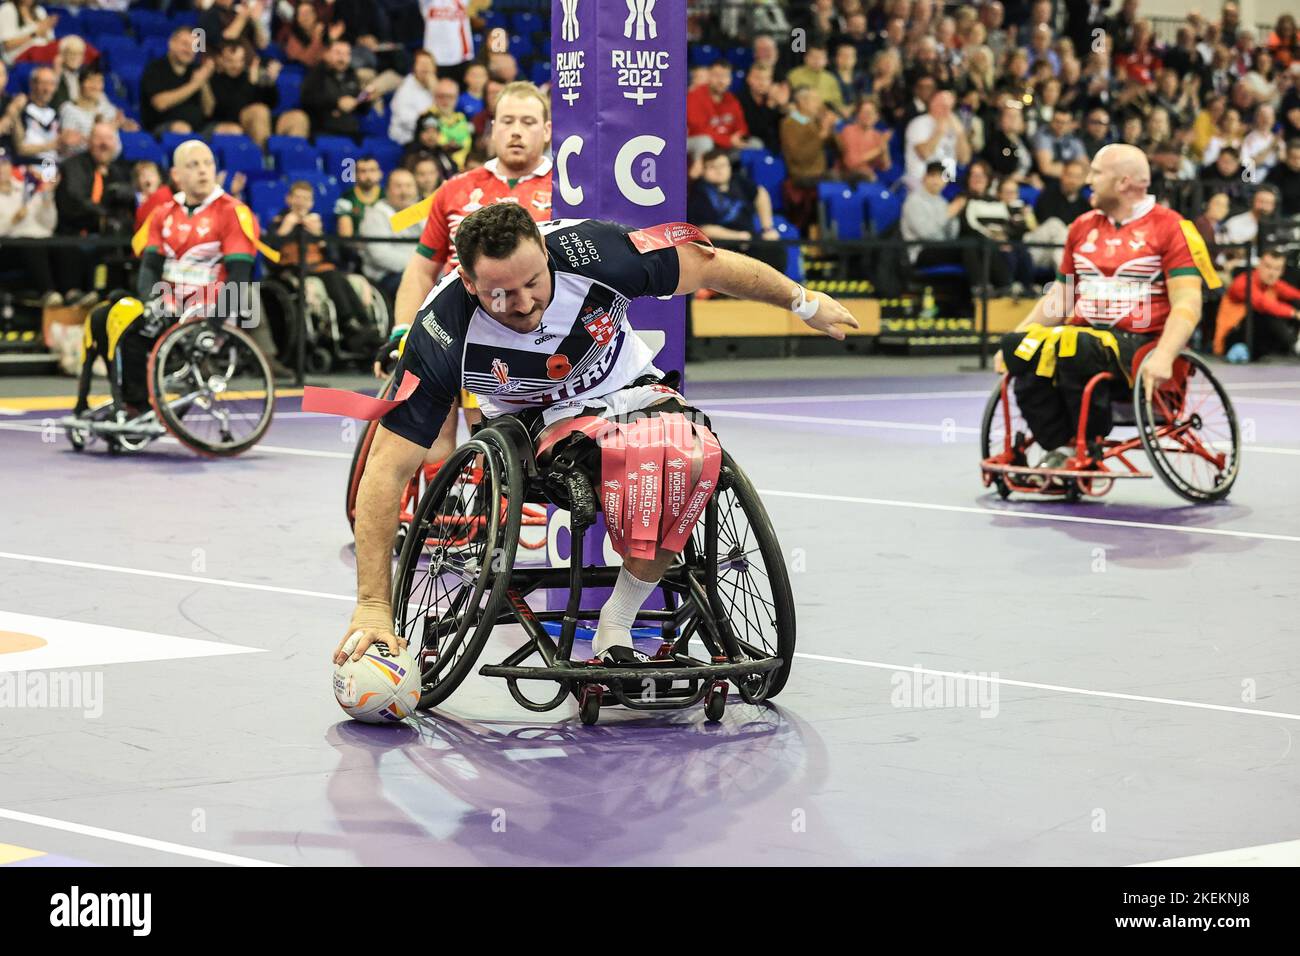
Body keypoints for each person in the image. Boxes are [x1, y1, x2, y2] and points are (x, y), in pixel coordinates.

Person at [328, 203, 858, 669]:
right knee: (635, 453)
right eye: (500, 294)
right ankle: (620, 614)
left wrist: (803, 302)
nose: (523, 303)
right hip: (538, 420)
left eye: (533, 282)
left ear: (544, 250)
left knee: (691, 452)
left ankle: (618, 619)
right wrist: (373, 604)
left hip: (630, 388)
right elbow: (386, 469)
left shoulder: (596, 252)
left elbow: (708, 267)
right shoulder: (441, 329)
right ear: (469, 284)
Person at [996, 144, 1218, 471]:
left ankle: (1089, 443)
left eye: (1097, 173)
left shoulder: (1171, 227)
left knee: (1076, 345)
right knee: (1022, 348)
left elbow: (1188, 302)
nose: (1088, 180)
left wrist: (1165, 355)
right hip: (1083, 338)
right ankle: (1062, 446)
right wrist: (1019, 338)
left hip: (1137, 343)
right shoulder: (1082, 226)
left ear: (1123, 182)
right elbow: (1060, 297)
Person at [393, 81, 553, 461]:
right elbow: (420, 269)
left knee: (500, 436)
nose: (516, 131)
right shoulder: (454, 189)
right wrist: (402, 330)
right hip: (455, 325)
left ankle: (501, 485)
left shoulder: (568, 188)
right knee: (433, 420)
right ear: (492, 128)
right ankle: (440, 503)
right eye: (507, 120)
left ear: (546, 131)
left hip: (529, 331)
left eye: (528, 122)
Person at [78, 140, 266, 415]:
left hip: (209, 310)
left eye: (208, 163)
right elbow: (150, 267)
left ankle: (143, 404)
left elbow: (238, 276)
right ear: (177, 175)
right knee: (121, 326)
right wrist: (150, 302)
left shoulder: (233, 212)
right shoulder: (163, 213)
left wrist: (213, 325)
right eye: (193, 165)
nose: (203, 170)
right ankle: (134, 405)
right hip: (171, 305)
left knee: (158, 336)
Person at [687, 148, 786, 275]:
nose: (719, 171)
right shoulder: (699, 191)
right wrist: (738, 237)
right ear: (703, 171)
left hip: (749, 240)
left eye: (723, 165)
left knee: (775, 249)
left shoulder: (738, 181)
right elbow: (704, 229)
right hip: (718, 245)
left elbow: (760, 193)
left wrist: (767, 228)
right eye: (712, 167)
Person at [1213, 247, 1300, 359]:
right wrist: (1295, 313)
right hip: (1231, 340)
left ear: (1282, 271)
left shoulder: (1273, 284)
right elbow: (1263, 304)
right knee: (1265, 312)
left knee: (1294, 302)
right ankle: (1294, 344)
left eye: (1277, 269)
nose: (1271, 273)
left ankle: (1291, 345)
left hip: (1257, 343)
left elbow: (1294, 294)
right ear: (1259, 266)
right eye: (1268, 267)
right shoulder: (1243, 282)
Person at [358, 167, 420, 303]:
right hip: (386, 277)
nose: (404, 192)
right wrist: (420, 265)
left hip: (419, 271)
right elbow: (380, 256)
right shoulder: (375, 214)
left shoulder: (422, 214)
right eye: (398, 186)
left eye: (409, 186)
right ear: (387, 191)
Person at [140, 27, 214, 135]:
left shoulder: (196, 70)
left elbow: (208, 110)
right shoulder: (156, 68)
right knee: (182, 129)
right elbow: (160, 103)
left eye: (194, 47)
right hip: (164, 129)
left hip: (199, 129)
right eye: (185, 44)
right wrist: (194, 85)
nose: (189, 50)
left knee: (231, 130)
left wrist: (204, 83)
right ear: (171, 43)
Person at [904, 89, 972, 189]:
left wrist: (961, 135)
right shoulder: (919, 123)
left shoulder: (954, 125)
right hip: (920, 181)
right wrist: (939, 132)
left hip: (947, 183)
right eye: (942, 105)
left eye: (949, 106)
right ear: (932, 103)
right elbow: (924, 154)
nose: (946, 110)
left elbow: (964, 159)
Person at [687, 60, 757, 156]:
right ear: (709, 76)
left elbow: (741, 126)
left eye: (725, 76)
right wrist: (728, 140)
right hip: (702, 142)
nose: (721, 80)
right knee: (705, 142)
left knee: (755, 144)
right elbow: (699, 130)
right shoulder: (694, 96)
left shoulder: (732, 99)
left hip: (727, 144)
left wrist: (739, 137)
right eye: (717, 76)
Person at [837, 97, 892, 183]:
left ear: (877, 117)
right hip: (846, 177)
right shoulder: (849, 130)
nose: (868, 115)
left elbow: (885, 166)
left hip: (868, 178)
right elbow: (851, 163)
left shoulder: (877, 135)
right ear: (858, 115)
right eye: (865, 112)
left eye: (871, 112)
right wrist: (878, 150)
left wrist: (884, 147)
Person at [388, 49, 438, 145]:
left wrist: (435, 90)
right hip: (406, 139)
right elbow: (405, 119)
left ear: (435, 68)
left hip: (431, 136)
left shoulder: (435, 86)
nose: (425, 68)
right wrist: (428, 125)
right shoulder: (405, 90)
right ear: (414, 68)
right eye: (421, 64)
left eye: (428, 64)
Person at [1265, 138, 1300, 215]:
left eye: (1299, 158)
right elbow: (1268, 191)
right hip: (1281, 214)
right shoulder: (1277, 171)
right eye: (1294, 158)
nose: (1297, 162)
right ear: (1287, 156)